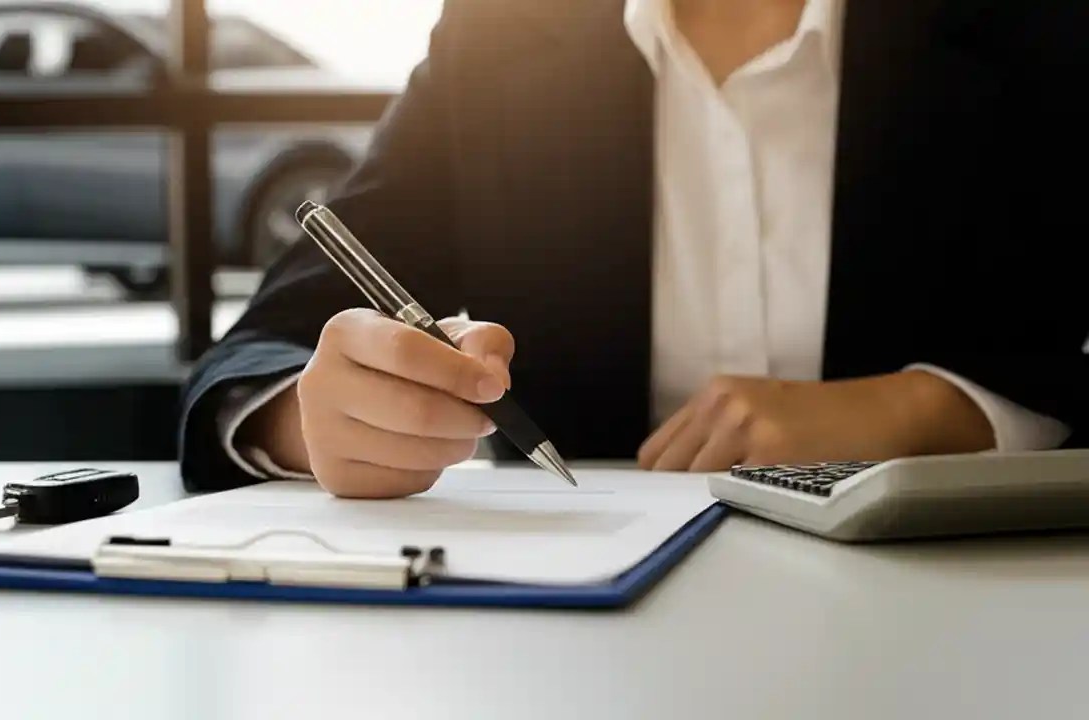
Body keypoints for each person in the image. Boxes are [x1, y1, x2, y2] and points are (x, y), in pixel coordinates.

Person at [179, 0, 1086, 498]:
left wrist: (936, 417)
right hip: (593, 641)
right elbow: (262, 354)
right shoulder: (501, 37)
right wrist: (315, 419)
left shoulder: (1029, 31)